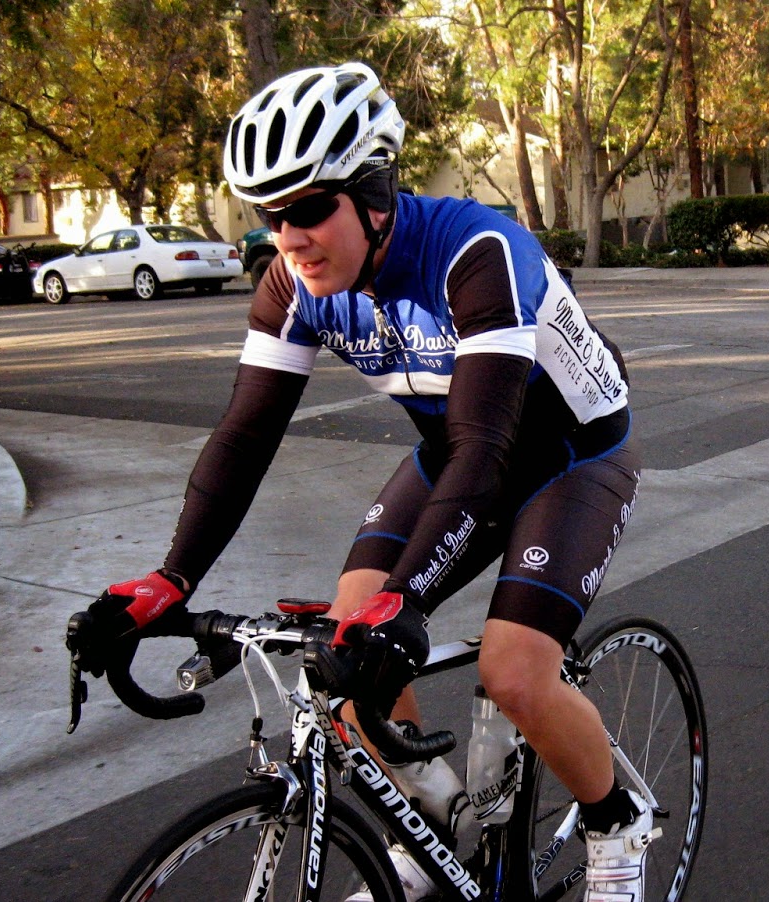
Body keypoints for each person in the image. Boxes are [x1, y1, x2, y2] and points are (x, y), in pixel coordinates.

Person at [73, 63, 654, 901]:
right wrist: (172, 578)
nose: (289, 237)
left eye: (310, 208)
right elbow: (244, 436)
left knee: (515, 672)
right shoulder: (293, 285)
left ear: (375, 197)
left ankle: (617, 823)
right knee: (340, 653)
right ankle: (432, 825)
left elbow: (487, 448)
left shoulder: (476, 253)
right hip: (453, 451)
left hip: (568, 455)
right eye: (270, 215)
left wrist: (406, 598)